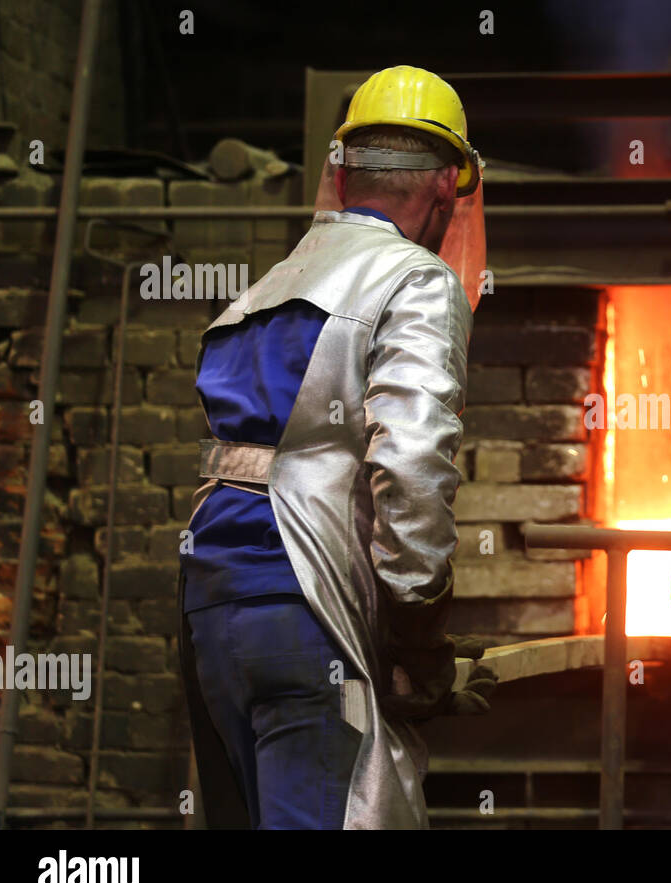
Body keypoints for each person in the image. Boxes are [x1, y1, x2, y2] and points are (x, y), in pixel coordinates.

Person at [179, 65, 494, 829]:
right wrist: (417, 624)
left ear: (343, 168)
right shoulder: (414, 280)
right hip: (306, 606)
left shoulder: (267, 287)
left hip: (209, 603)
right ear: (449, 184)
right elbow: (412, 463)